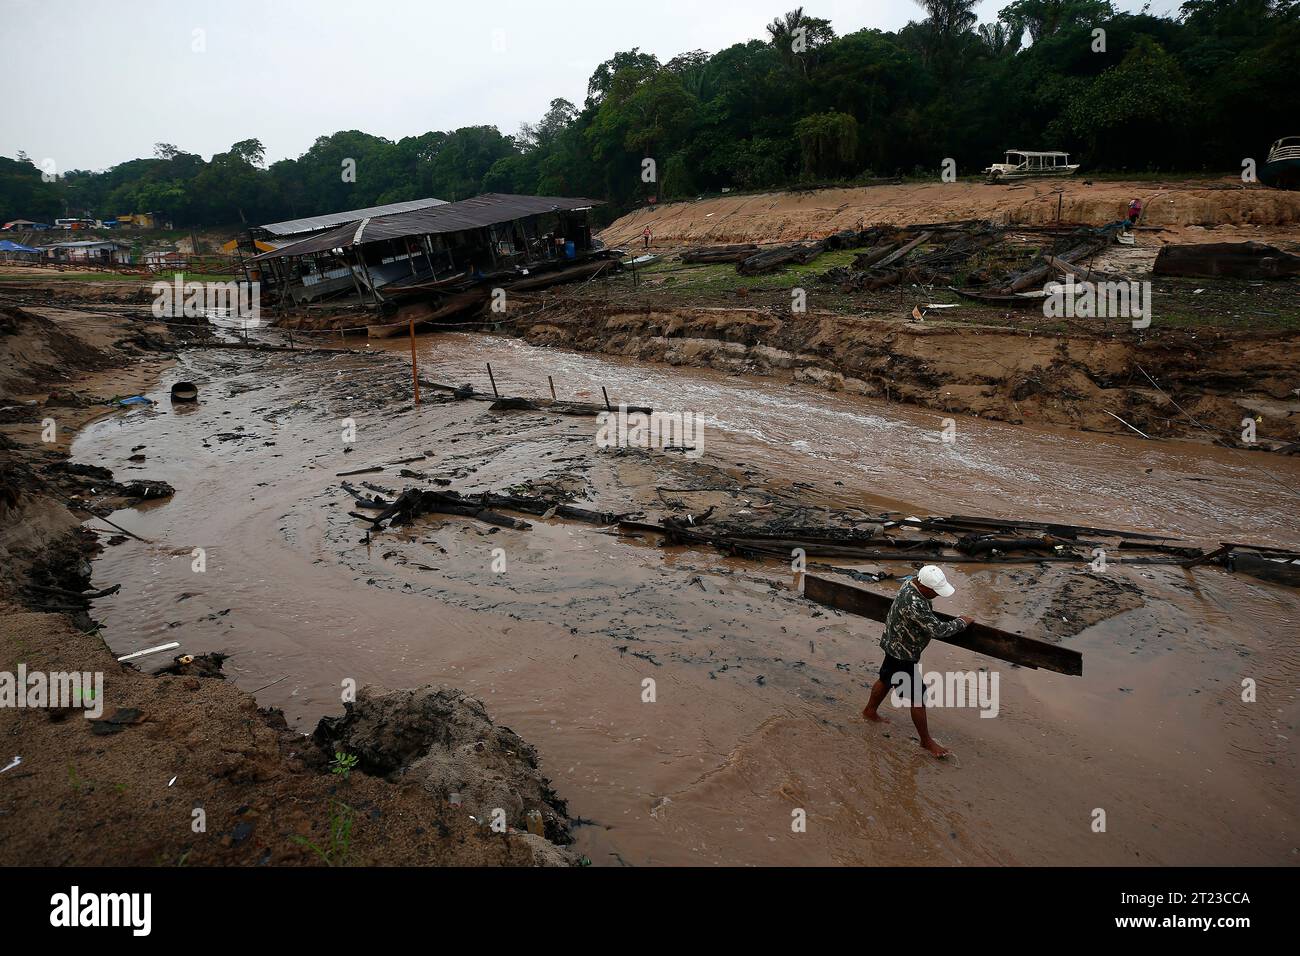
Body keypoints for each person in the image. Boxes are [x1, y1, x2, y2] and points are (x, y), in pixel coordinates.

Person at [862, 565, 973, 758]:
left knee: (886, 678)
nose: (937, 596)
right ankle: (926, 741)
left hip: (892, 642)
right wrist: (962, 622)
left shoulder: (910, 582)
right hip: (903, 652)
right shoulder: (915, 603)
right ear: (924, 588)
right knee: (918, 697)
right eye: (935, 592)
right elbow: (939, 630)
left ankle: (870, 711)